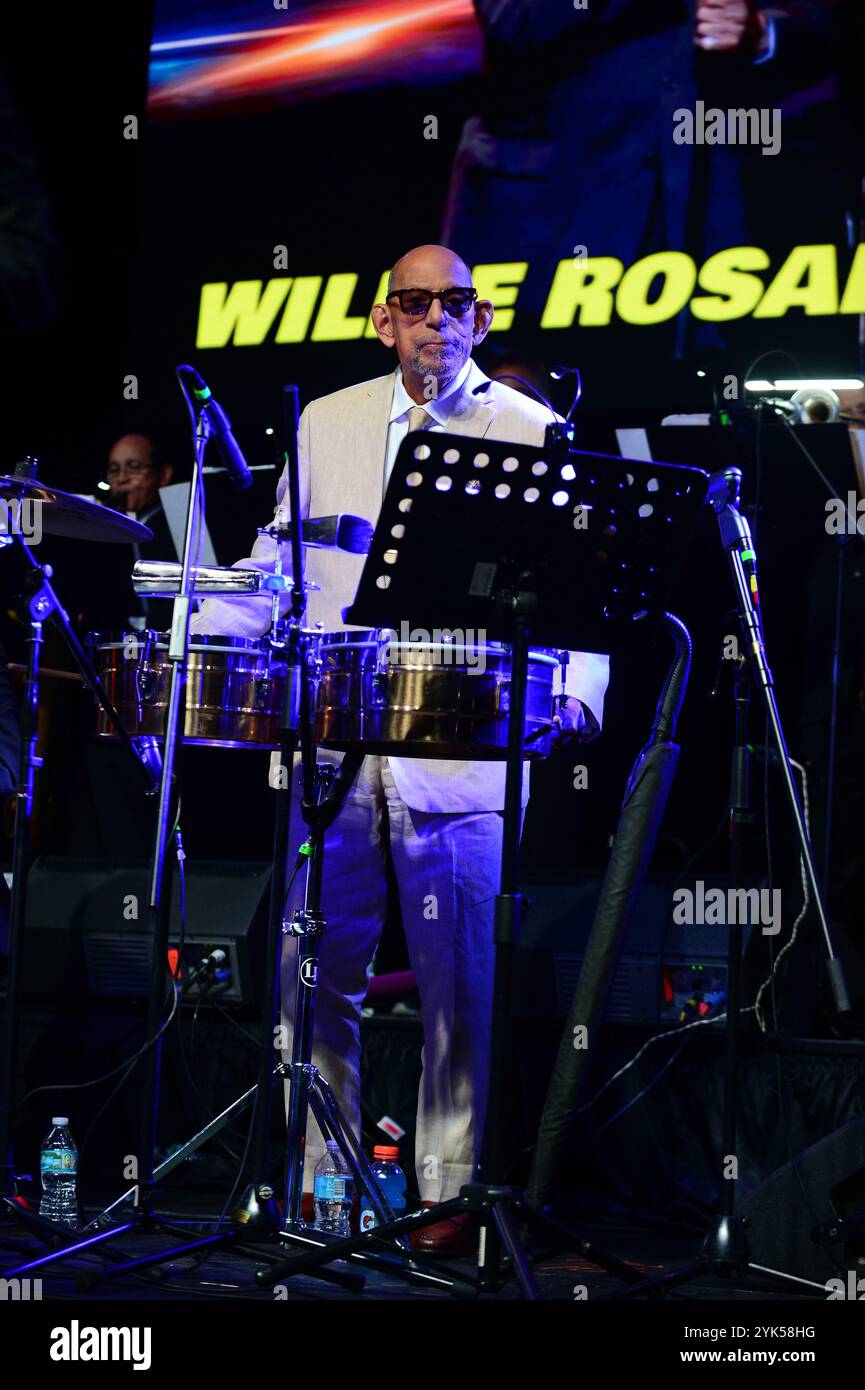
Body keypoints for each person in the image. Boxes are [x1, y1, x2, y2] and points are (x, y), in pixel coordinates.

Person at [192, 245, 610, 1253]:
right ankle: (321, 1184)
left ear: (479, 317)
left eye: (454, 303)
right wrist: (198, 620)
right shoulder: (325, 420)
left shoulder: (528, 428)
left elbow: (581, 585)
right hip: (334, 735)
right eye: (415, 304)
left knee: (457, 981)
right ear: (384, 320)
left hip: (462, 744)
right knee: (309, 972)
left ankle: (449, 1196)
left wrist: (578, 697)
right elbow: (279, 562)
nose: (435, 320)